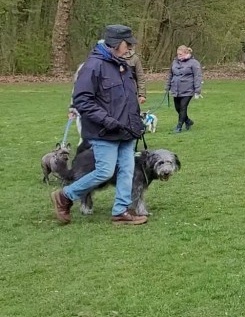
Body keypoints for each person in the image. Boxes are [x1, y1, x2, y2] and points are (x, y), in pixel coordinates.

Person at [51, 25, 147, 225]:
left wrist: (137, 122)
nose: (130, 47)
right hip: (105, 131)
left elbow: (129, 99)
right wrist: (107, 121)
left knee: (127, 170)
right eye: (127, 43)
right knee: (105, 171)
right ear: (115, 43)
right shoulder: (93, 66)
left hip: (127, 131)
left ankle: (121, 211)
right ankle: (65, 195)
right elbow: (82, 100)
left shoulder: (123, 65)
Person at [166, 45, 203, 133]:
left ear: (186, 53)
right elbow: (170, 74)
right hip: (176, 89)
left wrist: (197, 90)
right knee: (177, 108)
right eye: (178, 54)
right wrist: (167, 86)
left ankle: (179, 126)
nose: (179, 56)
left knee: (183, 107)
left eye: (180, 54)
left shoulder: (194, 63)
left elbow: (197, 77)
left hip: (188, 89)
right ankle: (188, 121)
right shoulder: (174, 62)